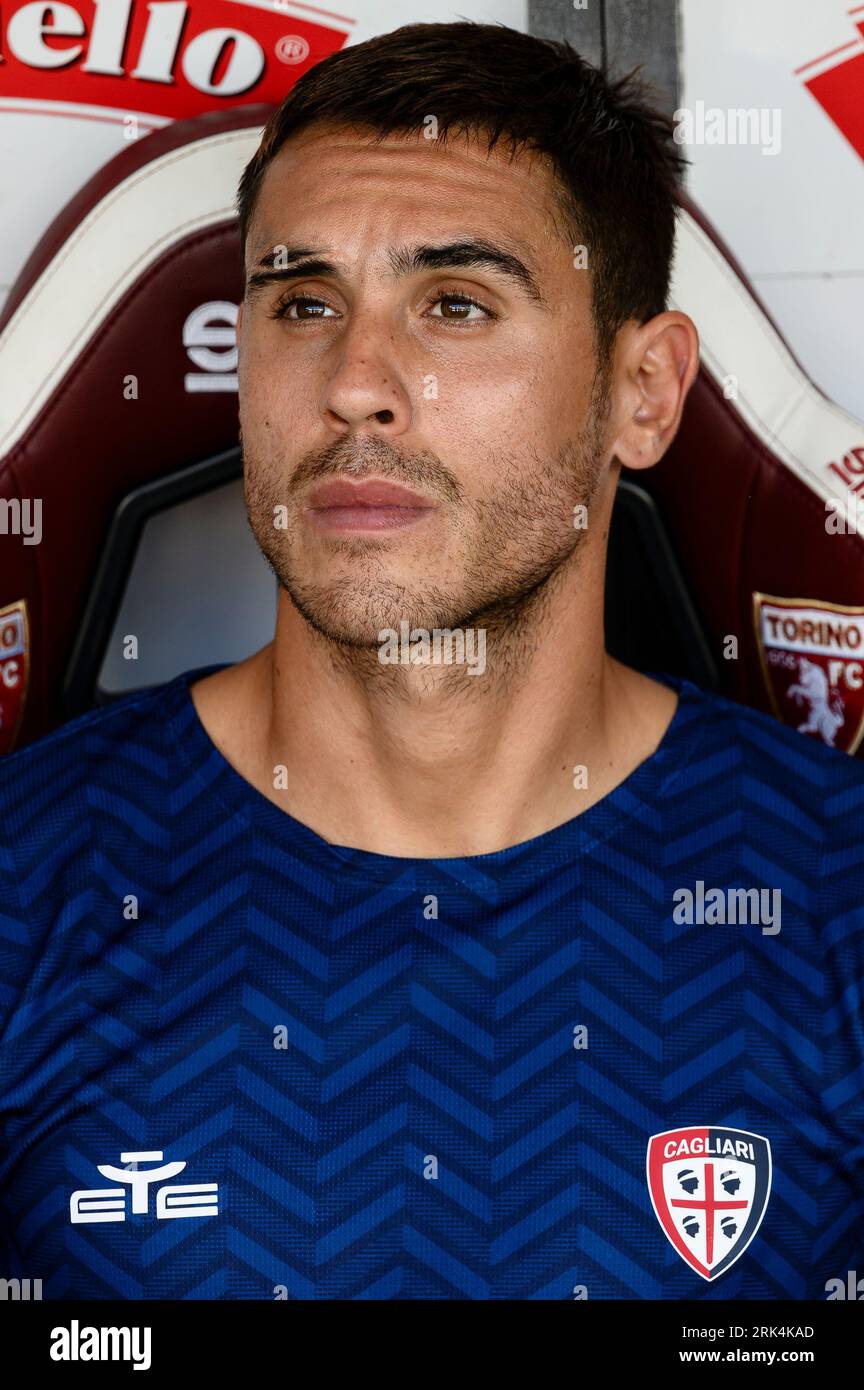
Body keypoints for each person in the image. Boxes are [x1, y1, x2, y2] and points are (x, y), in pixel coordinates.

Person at [0, 21, 861, 1301]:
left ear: (644, 391)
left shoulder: (836, 893)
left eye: (454, 304)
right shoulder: (28, 877)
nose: (355, 383)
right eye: (302, 302)